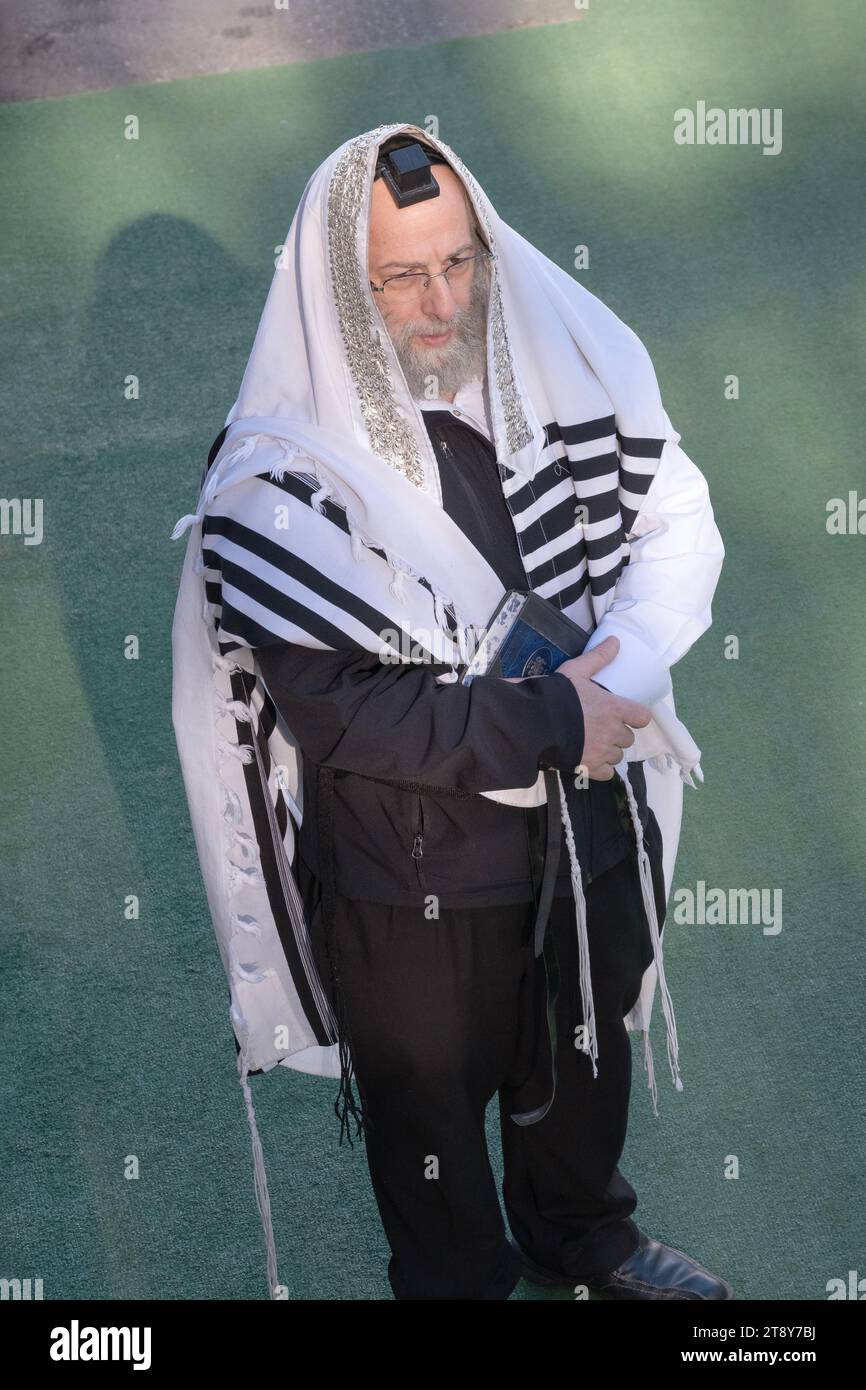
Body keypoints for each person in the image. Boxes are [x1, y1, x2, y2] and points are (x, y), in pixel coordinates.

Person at [170, 123, 729, 1300]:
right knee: (426, 1133)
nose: (440, 301)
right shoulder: (277, 476)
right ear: (340, 285)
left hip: (579, 818)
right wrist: (556, 721)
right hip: (408, 865)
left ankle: (585, 1237)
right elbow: (344, 717)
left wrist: (615, 675)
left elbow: (667, 513)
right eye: (400, 275)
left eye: (459, 261)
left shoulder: (565, 368)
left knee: (581, 1055)